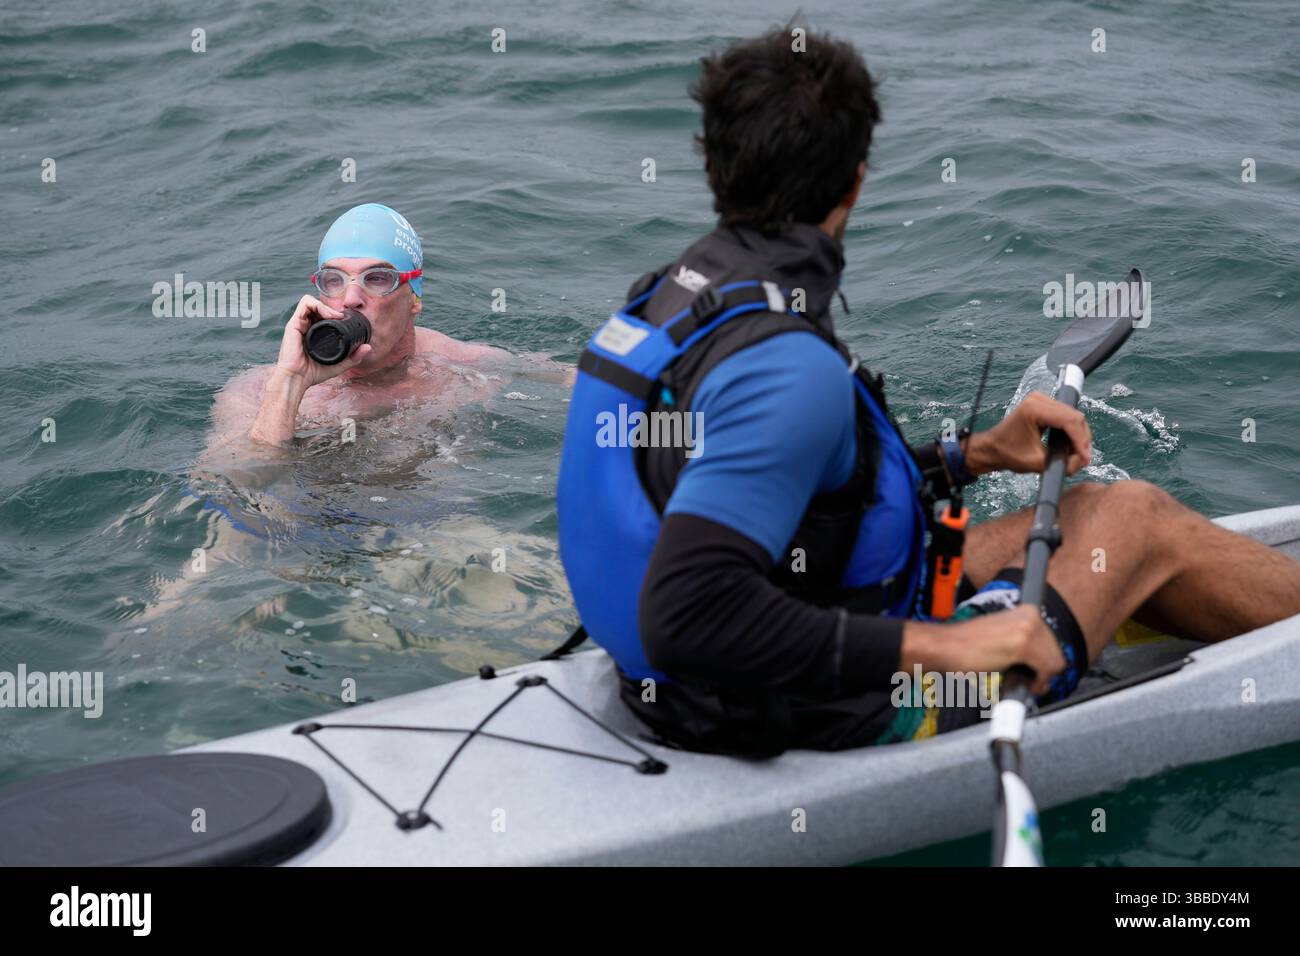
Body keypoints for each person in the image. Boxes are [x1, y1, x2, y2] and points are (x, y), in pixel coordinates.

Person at [555, 28, 1300, 756]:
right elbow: (690, 612)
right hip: (832, 707)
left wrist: (967, 456)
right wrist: (952, 647)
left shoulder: (661, 306)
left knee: (1085, 522)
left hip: (684, 688)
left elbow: (771, 488)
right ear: (856, 179)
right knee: (1136, 517)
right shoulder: (788, 368)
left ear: (711, 161)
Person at [206, 202, 568, 455]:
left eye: (377, 278)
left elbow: (586, 383)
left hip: (427, 534)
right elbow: (244, 483)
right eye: (334, 280)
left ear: (415, 298)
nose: (351, 298)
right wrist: (290, 384)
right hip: (293, 528)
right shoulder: (256, 390)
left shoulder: (466, 366)